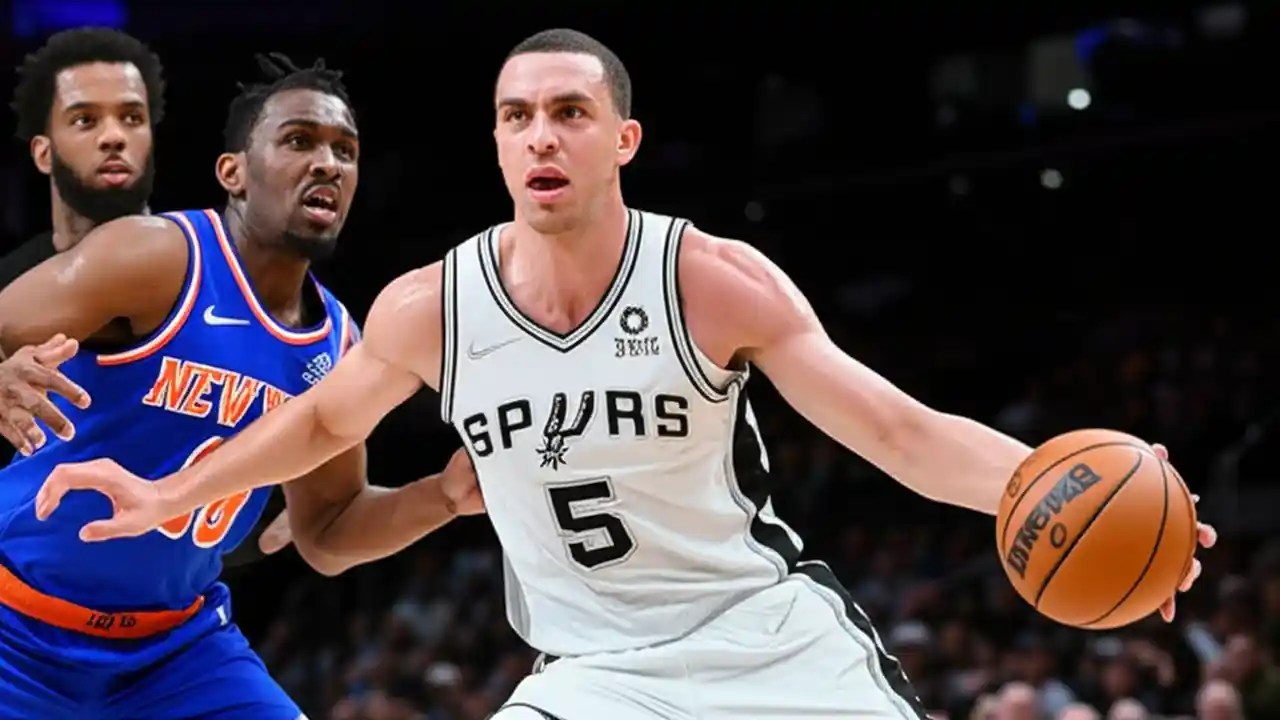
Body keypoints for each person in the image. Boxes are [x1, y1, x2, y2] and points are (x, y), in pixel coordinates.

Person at [38, 29, 1216, 719]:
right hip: (595, 679)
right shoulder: (429, 308)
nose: (540, 136)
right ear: (494, 143)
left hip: (769, 642)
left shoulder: (710, 278)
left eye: (567, 113)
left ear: (621, 141)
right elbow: (314, 429)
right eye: (515, 117)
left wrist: (1054, 488)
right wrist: (164, 497)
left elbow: (898, 433)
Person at [0, 51, 472, 719]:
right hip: (16, 630)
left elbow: (330, 530)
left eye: (346, 150)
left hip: (177, 652)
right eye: (300, 140)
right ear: (234, 173)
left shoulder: (341, 345)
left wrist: (443, 497)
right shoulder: (157, 256)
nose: (328, 164)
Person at [1, 26, 292, 560]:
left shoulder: (213, 269)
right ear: (43, 153)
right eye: (86, 119)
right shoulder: (14, 283)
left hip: (173, 601)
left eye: (131, 118)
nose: (113, 136)